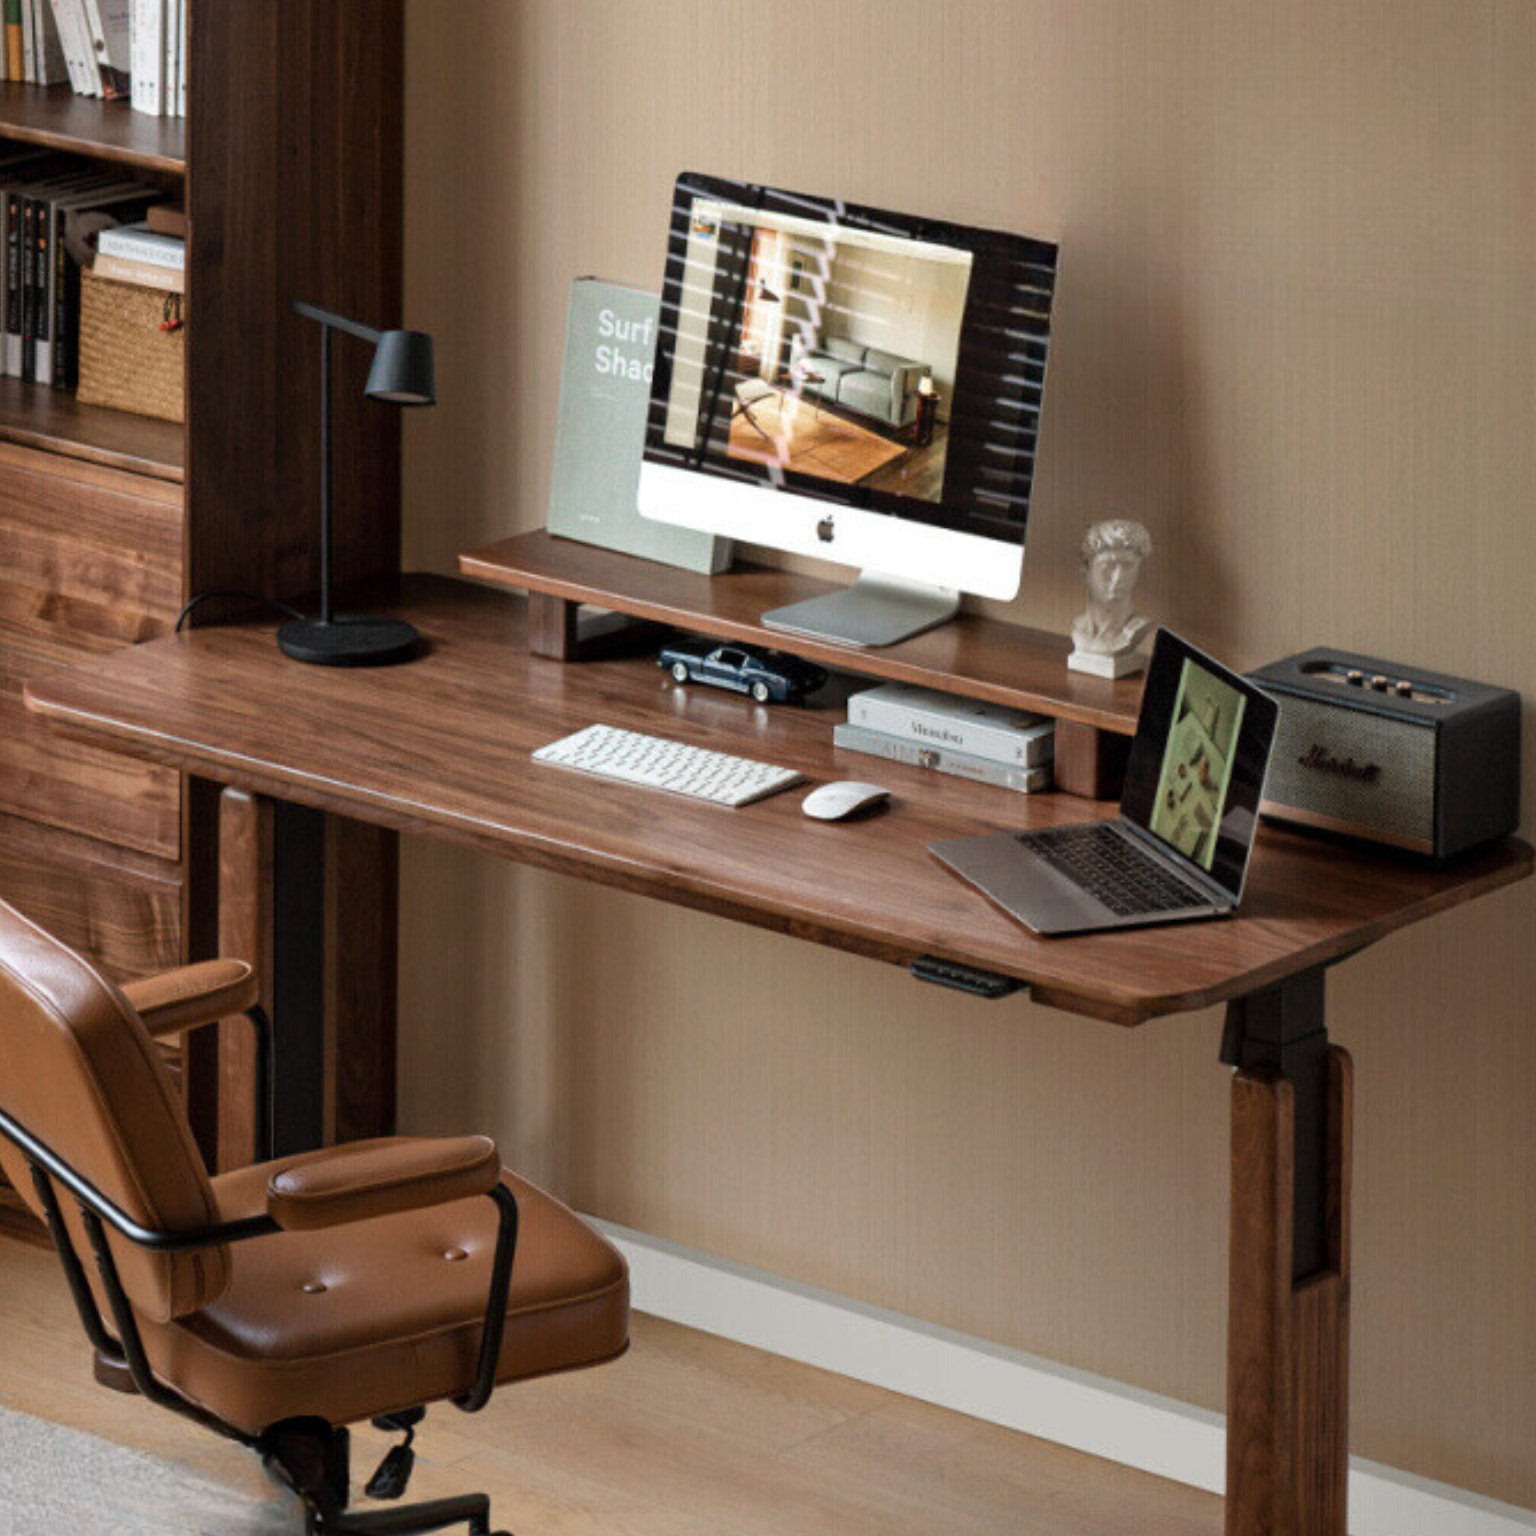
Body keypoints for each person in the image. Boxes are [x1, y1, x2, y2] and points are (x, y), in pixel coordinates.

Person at [1069, 519, 1154, 664]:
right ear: (1086, 573)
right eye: (1107, 565)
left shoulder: (1137, 628)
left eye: (1127, 566)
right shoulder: (1078, 628)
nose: (1118, 577)